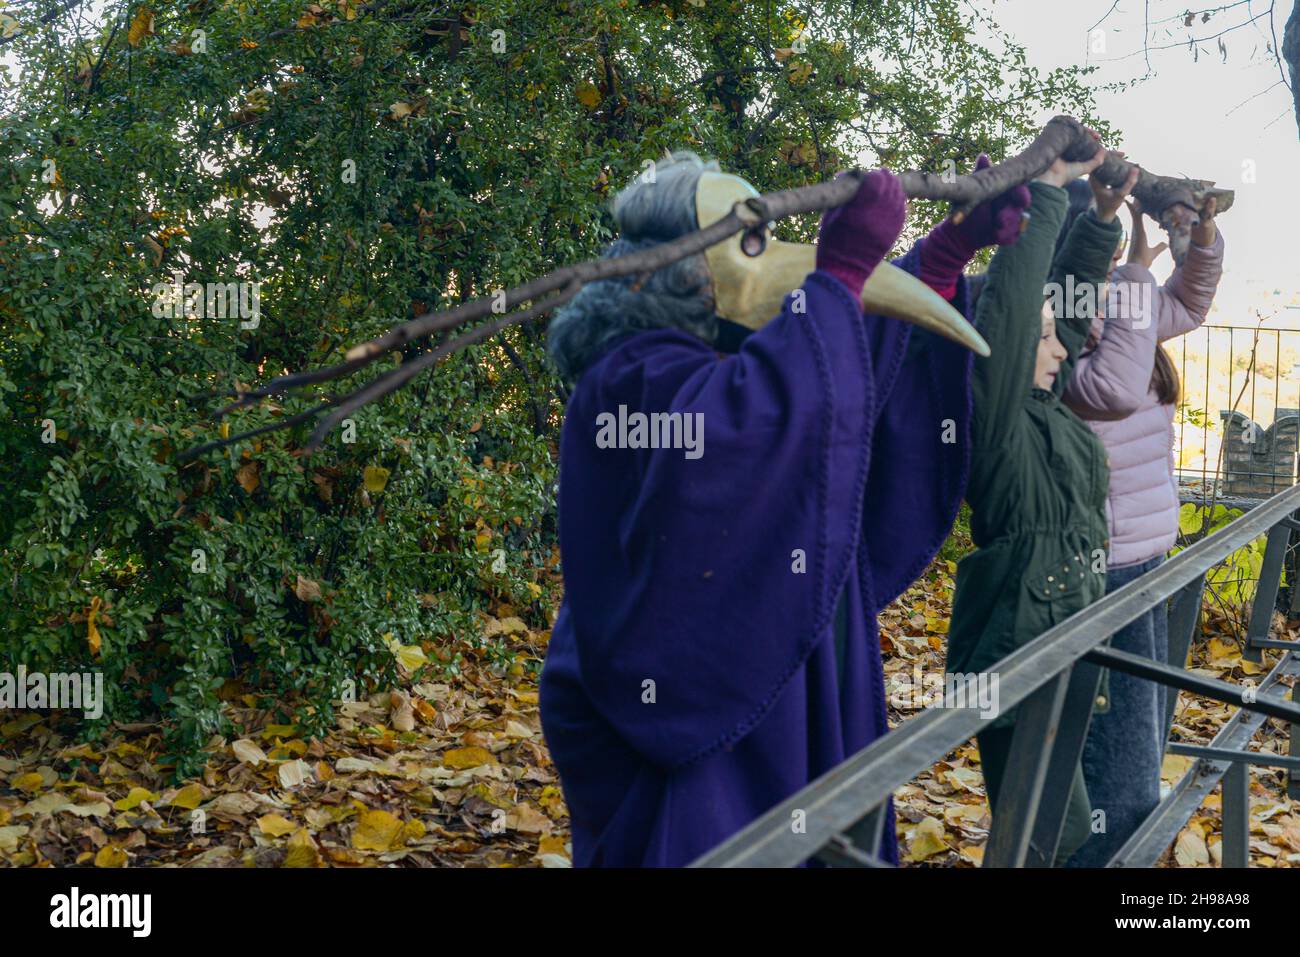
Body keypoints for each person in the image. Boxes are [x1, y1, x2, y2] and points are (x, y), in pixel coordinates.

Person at [538, 151, 1024, 867]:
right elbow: (751, 422)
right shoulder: (631, 372)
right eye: (752, 241)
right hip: (681, 714)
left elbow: (833, 369)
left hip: (770, 701)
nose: (772, 259)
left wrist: (944, 253)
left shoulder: (707, 352)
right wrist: (836, 280)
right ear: (680, 264)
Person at [944, 135, 1131, 866]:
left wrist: (1100, 223)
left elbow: (1063, 315)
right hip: (1017, 666)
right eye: (1043, 340)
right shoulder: (996, 423)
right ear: (1012, 343)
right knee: (1052, 840)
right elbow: (1019, 308)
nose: (1062, 350)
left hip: (1065, 649)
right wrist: (1050, 189)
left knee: (1053, 838)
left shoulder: (1044, 408)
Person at [1059, 191, 1225, 868]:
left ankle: (1115, 853)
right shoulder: (1062, 321)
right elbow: (1117, 389)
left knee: (1141, 739)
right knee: (1115, 757)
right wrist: (1132, 267)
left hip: (1146, 559)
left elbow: (1190, 298)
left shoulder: (1122, 307)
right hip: (1104, 569)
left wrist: (1200, 228)